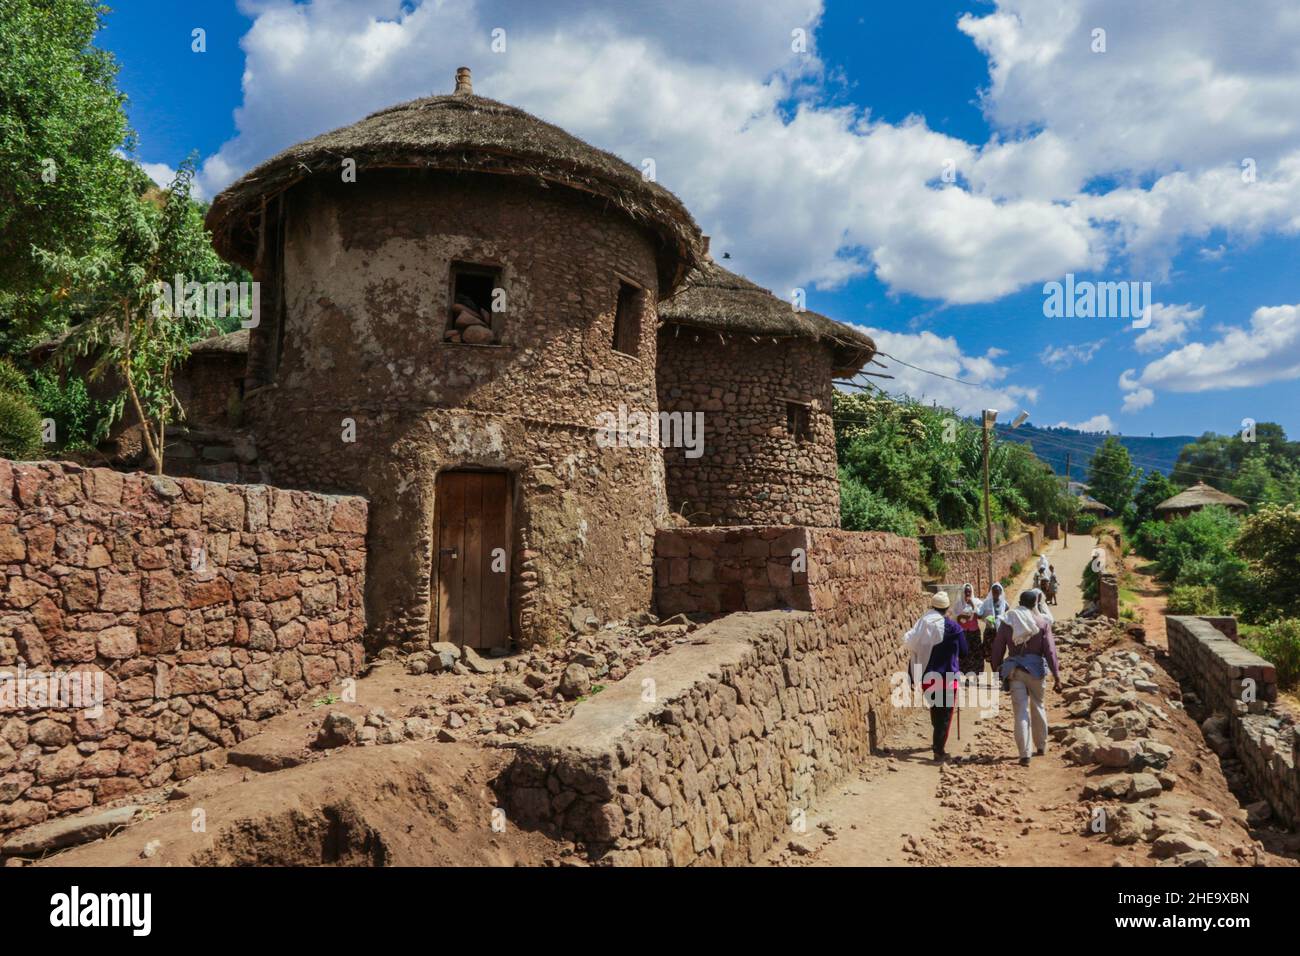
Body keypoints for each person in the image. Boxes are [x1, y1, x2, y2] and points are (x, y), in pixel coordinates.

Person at [989, 590, 1061, 766]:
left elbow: (997, 648)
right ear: (1035, 603)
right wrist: (1057, 675)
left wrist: (996, 668)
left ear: (1020, 602)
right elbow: (1050, 651)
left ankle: (1024, 754)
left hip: (1015, 671)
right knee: (1038, 705)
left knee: (1020, 711)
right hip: (1036, 670)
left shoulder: (1008, 622)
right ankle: (1041, 746)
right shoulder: (1042, 623)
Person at [902, 592, 968, 763]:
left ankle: (937, 740)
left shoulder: (923, 625)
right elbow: (965, 651)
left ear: (932, 606)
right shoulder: (954, 628)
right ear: (947, 608)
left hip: (927, 677)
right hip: (947, 677)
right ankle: (938, 750)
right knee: (945, 715)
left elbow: (911, 641)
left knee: (936, 708)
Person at [955, 583, 983, 673]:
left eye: (969, 591)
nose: (968, 594)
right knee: (964, 654)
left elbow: (980, 615)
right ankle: (965, 676)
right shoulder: (959, 604)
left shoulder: (977, 601)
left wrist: (973, 605)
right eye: (966, 591)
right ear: (963, 592)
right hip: (963, 633)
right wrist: (962, 617)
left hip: (974, 632)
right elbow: (956, 619)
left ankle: (976, 675)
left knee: (976, 654)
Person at [978, 582, 1008, 650]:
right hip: (989, 630)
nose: (995, 594)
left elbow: (1007, 608)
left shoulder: (1003, 603)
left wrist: (1000, 618)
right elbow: (979, 614)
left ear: (1000, 592)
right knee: (989, 650)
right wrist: (987, 618)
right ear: (991, 592)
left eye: (997, 592)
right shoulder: (986, 602)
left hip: (999, 630)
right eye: (994, 592)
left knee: (999, 649)